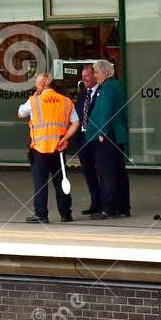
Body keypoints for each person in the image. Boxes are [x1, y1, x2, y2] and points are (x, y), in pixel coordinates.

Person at [15, 73, 79, 224]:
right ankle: (65, 213)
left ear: (43, 84)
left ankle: (41, 214)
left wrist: (35, 95)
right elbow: (75, 122)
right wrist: (65, 138)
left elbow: (20, 113)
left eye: (37, 83)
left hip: (40, 149)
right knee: (60, 180)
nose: (36, 86)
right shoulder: (66, 101)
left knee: (40, 183)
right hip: (59, 148)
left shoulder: (34, 101)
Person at [84, 58, 130, 220]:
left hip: (107, 135)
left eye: (96, 72)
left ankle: (109, 208)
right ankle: (123, 207)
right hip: (117, 134)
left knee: (107, 173)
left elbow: (106, 110)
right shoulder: (115, 86)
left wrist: (102, 132)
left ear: (105, 72)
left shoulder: (108, 88)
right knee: (118, 172)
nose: (95, 76)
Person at [71, 64, 103, 215]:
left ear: (95, 76)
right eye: (82, 77)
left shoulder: (102, 92)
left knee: (102, 171)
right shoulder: (83, 94)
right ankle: (95, 202)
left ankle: (105, 202)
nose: (84, 79)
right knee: (88, 172)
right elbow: (77, 114)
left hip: (96, 138)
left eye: (87, 76)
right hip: (82, 138)